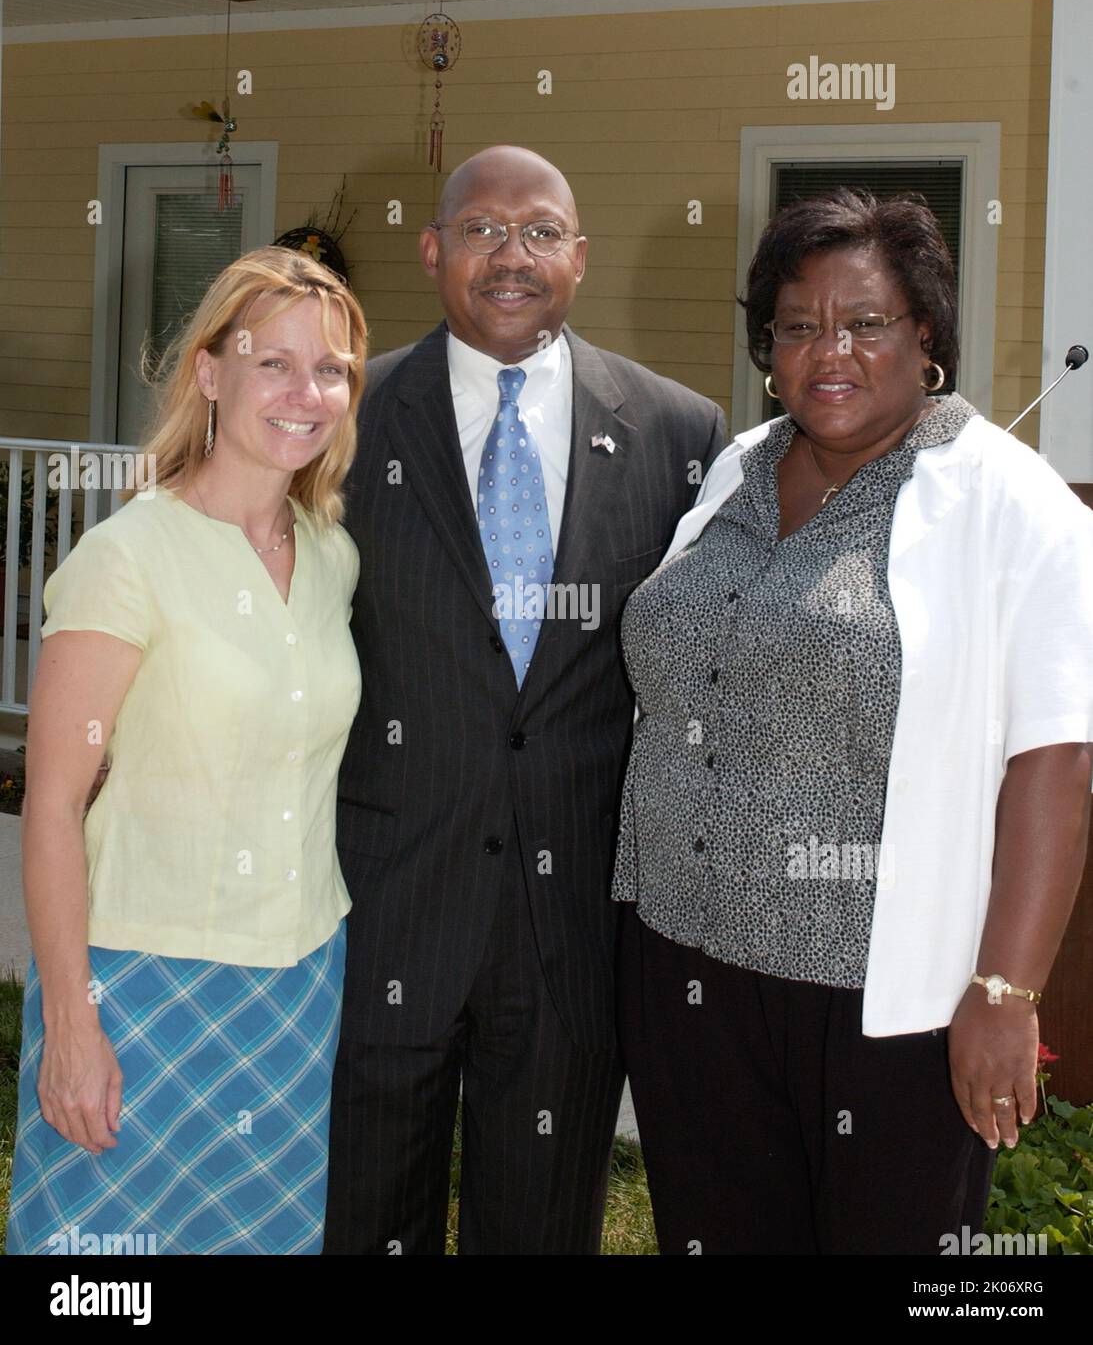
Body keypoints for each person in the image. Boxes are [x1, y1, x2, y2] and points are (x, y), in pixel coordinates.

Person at [612, 187, 1093, 1255]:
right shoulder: (734, 469)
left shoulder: (1010, 505)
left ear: (925, 334)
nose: (829, 349)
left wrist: (1005, 993)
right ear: (768, 347)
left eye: (864, 322)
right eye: (797, 326)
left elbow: (1052, 764)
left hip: (885, 995)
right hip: (684, 963)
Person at [323, 144, 725, 1255]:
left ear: (580, 257)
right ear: (433, 249)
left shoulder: (680, 434)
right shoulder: (342, 420)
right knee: (361, 1224)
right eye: (482, 229)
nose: (512, 255)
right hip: (379, 908)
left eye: (540, 230)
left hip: (571, 927)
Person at [5, 246, 367, 1255]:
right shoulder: (127, 557)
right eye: (274, 364)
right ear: (210, 372)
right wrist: (72, 1023)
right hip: (139, 981)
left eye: (332, 369)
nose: (308, 393)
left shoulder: (331, 554)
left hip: (295, 985)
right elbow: (51, 808)